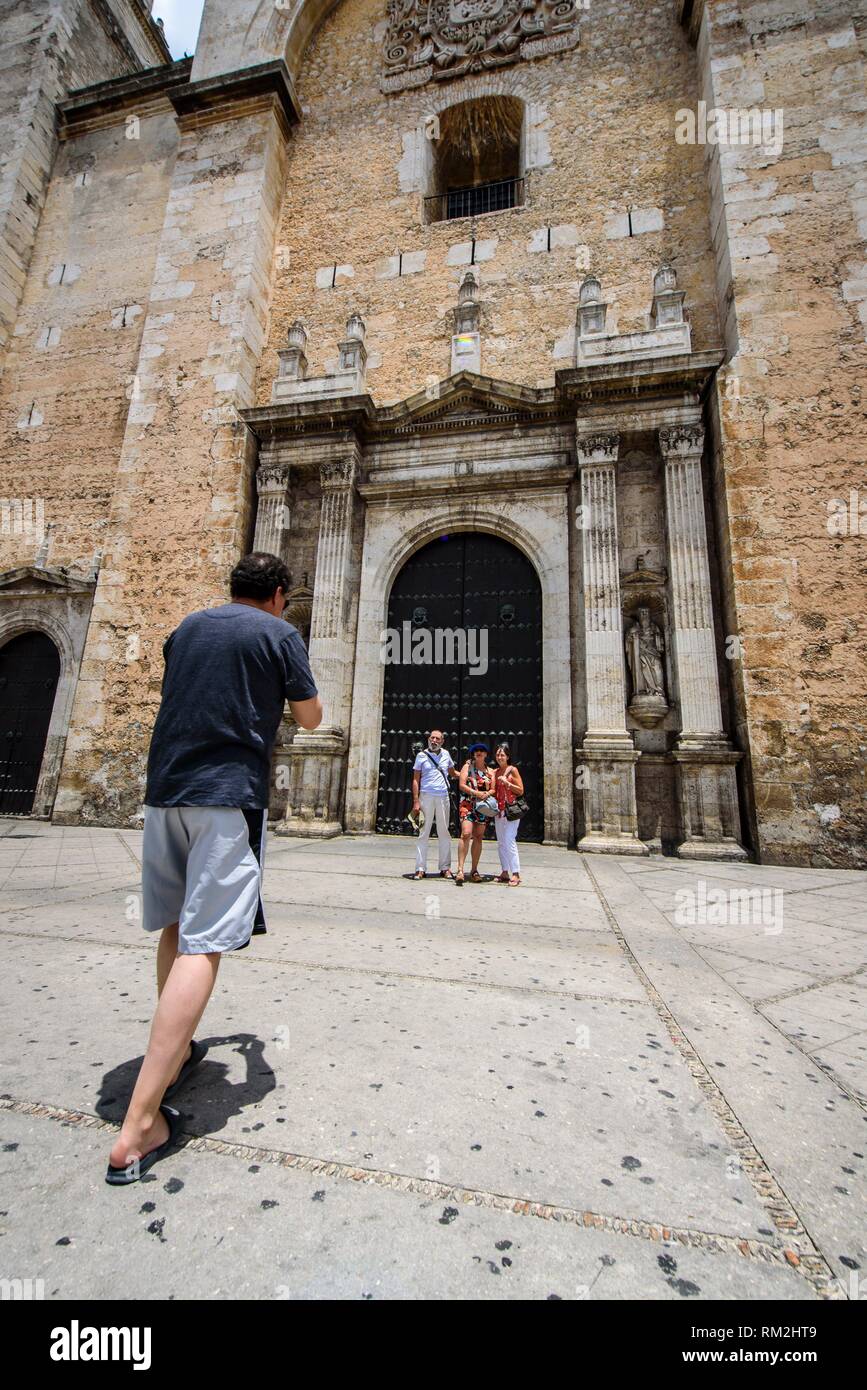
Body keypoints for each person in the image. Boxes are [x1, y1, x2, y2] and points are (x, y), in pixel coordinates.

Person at [105, 552, 322, 1184]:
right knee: (207, 943)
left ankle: (171, 1062)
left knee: (176, 925)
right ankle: (141, 1124)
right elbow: (310, 718)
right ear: (279, 594)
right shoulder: (278, 633)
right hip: (227, 797)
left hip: (165, 792)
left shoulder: (187, 628)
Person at [411, 729, 459, 879]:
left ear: (442, 741)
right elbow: (415, 780)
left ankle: (445, 867)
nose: (434, 741)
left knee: (444, 831)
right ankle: (420, 868)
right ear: (428, 739)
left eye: (438, 739)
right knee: (423, 832)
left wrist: (469, 773)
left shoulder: (446, 755)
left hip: (443, 797)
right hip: (426, 797)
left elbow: (452, 773)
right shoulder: (421, 756)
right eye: (432, 738)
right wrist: (416, 801)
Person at [455, 742, 494, 885]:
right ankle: (460, 870)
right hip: (467, 804)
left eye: (482, 751)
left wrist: (487, 793)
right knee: (466, 833)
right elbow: (462, 784)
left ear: (486, 754)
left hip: (482, 807)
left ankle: (474, 870)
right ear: (473, 753)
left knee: (478, 837)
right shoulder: (467, 767)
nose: (479, 752)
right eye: (476, 750)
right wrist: (475, 792)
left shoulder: (490, 771)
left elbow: (493, 788)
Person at [492, 742, 524, 887]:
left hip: (511, 810)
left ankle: (516, 873)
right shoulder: (495, 772)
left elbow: (520, 790)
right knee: (501, 842)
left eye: (502, 755)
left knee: (510, 839)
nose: (500, 757)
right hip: (499, 811)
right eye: (498, 754)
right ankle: (505, 871)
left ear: (508, 756)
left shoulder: (513, 771)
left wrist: (507, 783)